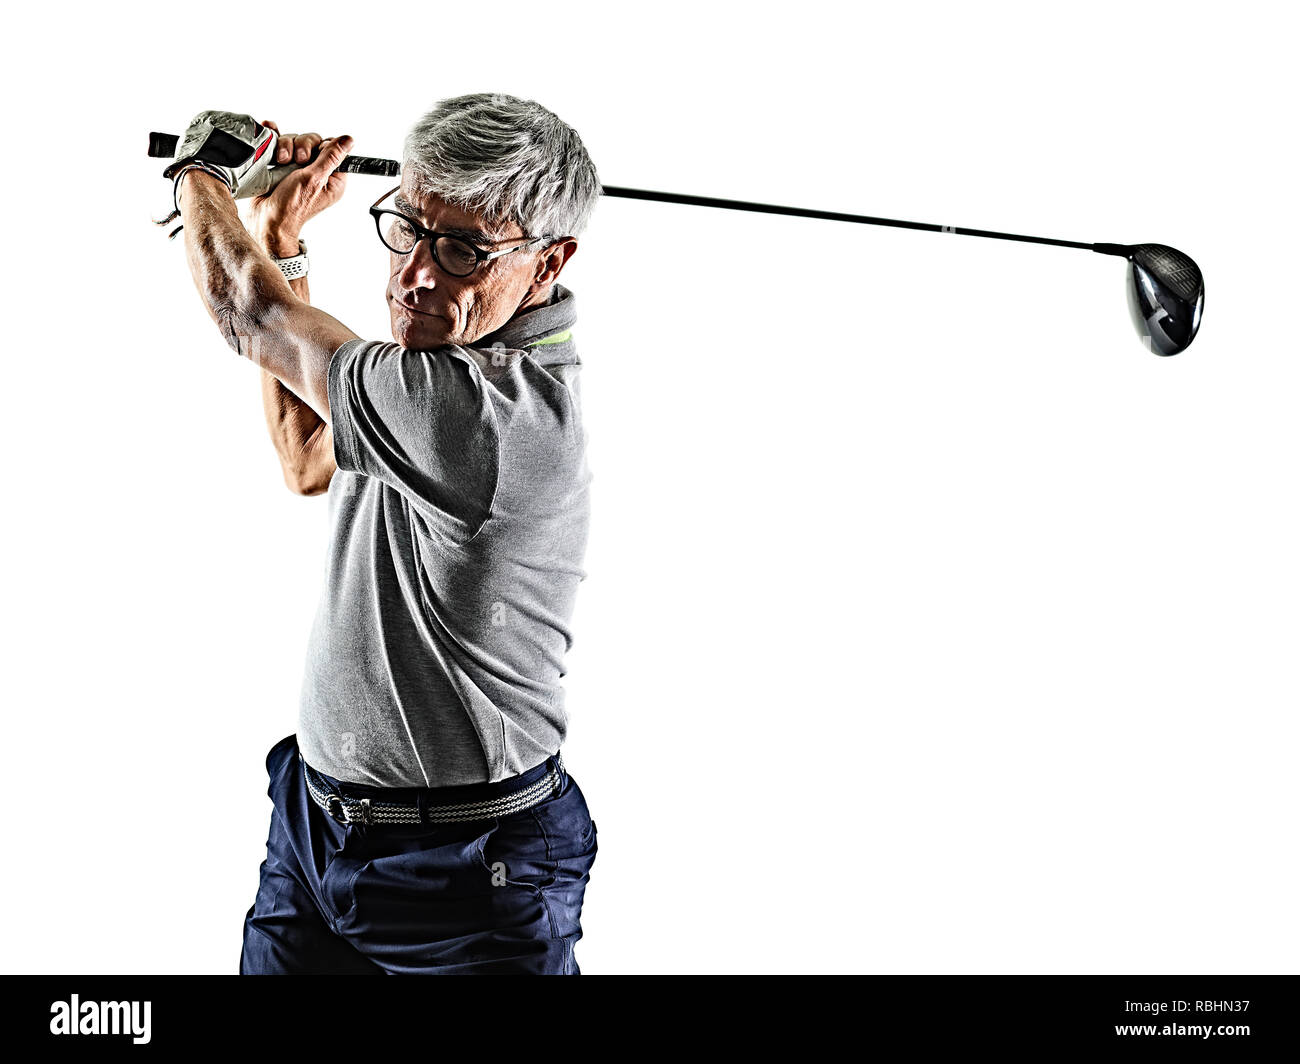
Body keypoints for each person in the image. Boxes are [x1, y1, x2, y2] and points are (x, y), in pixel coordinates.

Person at [162, 95, 601, 974]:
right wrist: (282, 235)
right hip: (316, 828)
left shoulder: (482, 416)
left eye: (465, 250)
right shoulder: (427, 380)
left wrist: (202, 172)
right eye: (408, 228)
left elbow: (249, 315)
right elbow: (308, 461)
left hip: (474, 872)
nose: (418, 276)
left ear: (550, 260)